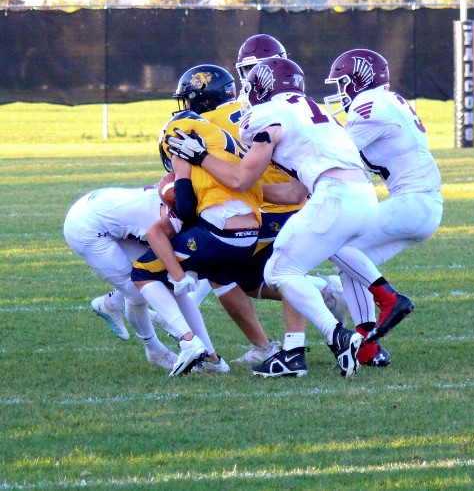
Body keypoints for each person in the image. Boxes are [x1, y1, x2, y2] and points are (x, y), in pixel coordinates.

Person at [166, 56, 391, 378]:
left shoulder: (258, 116)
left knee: (280, 270)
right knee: (272, 271)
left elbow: (239, 180)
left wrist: (199, 157)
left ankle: (310, 343)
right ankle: (315, 335)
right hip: (344, 198)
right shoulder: (308, 112)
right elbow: (295, 193)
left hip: (307, 203)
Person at [324, 48, 443, 367]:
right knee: (350, 264)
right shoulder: (389, 100)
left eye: (342, 83)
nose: (339, 93)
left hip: (412, 201)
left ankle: (390, 299)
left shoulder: (368, 104)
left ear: (357, 79)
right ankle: (367, 346)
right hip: (423, 205)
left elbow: (336, 154)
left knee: (332, 239)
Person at [131, 109, 264, 375]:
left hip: (221, 232)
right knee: (219, 274)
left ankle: (188, 341)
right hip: (250, 234)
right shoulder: (228, 140)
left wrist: (175, 205)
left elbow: (186, 206)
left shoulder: (181, 133)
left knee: (142, 270)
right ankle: (215, 359)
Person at [64, 186, 179, 370]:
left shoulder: (169, 206)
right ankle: (156, 351)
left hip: (105, 211)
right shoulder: (161, 220)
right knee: (139, 291)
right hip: (85, 226)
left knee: (152, 274)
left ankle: (110, 303)